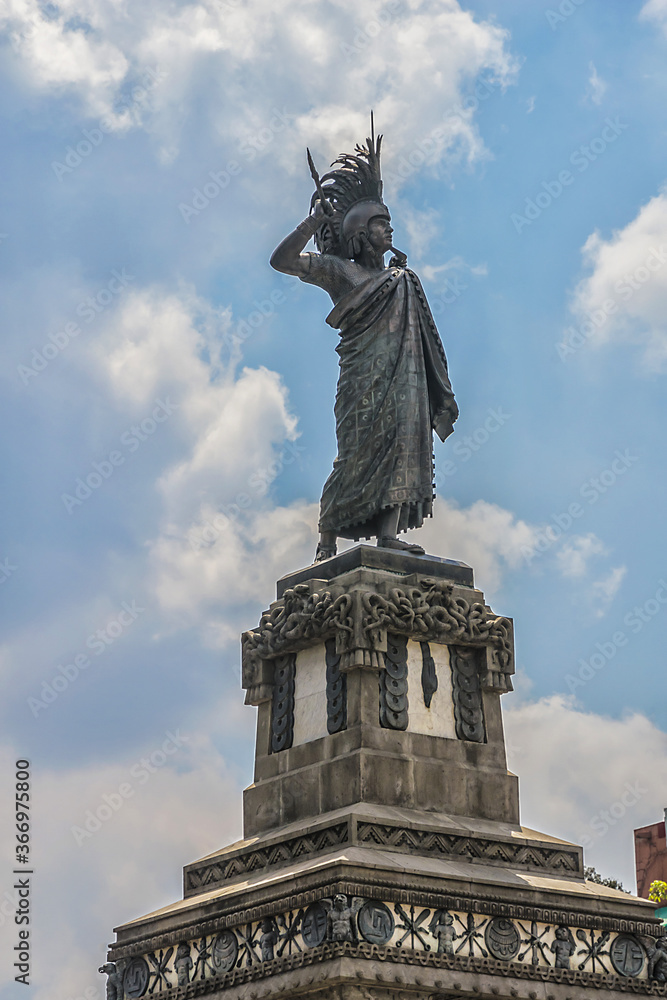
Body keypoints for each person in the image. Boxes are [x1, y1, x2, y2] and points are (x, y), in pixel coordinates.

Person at [270, 122, 458, 562]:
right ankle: (326, 540)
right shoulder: (340, 271)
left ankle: (388, 534)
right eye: (380, 225)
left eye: (389, 224)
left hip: (401, 377)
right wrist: (311, 223)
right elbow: (282, 261)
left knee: (401, 440)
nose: (388, 232)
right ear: (359, 233)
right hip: (362, 377)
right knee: (354, 452)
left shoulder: (398, 279)